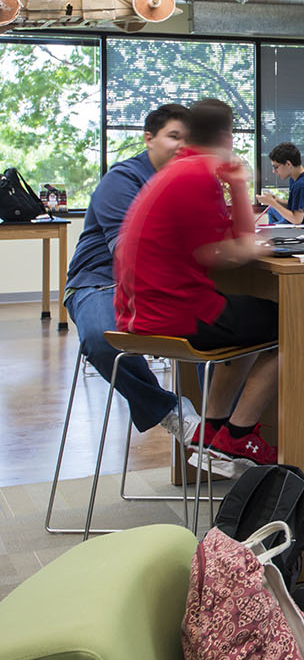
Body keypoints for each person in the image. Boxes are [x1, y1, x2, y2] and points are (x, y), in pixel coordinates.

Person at [114, 98, 279, 464]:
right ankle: (236, 437)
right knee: (292, 324)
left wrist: (236, 195)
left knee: (249, 322)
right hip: (173, 312)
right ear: (227, 137)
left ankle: (212, 431)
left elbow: (226, 241)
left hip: (142, 310)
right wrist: (240, 187)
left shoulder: (178, 171)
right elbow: (228, 250)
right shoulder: (198, 176)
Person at [64, 103, 201, 444]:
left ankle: (221, 429)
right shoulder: (122, 180)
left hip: (160, 286)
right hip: (101, 281)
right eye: (174, 136)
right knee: (102, 338)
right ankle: (169, 410)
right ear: (149, 139)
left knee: (225, 325)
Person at [257, 143, 304, 227]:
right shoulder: (298, 177)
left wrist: (272, 202)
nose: (274, 171)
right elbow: (297, 204)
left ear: (288, 164)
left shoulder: (301, 185)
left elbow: (297, 220)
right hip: (300, 218)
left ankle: (277, 234)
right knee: (272, 210)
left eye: (276, 167)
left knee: (268, 229)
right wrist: (276, 200)